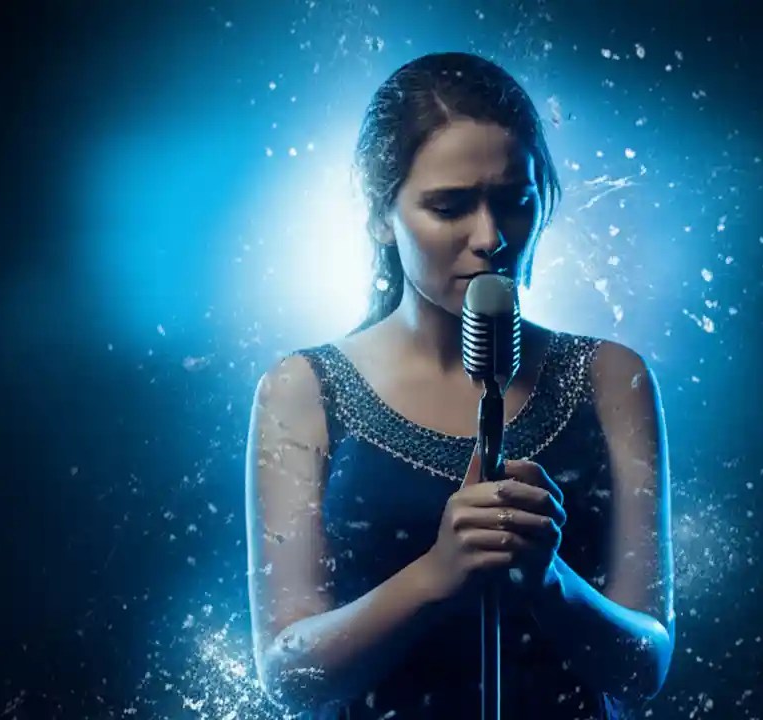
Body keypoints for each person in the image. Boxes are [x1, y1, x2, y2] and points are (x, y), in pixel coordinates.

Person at [244, 51, 674, 719]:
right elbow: (289, 676)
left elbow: (645, 668)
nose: (491, 237)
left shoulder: (611, 378)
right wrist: (436, 576)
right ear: (380, 215)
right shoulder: (303, 390)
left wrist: (550, 581)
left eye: (514, 201)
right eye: (448, 207)